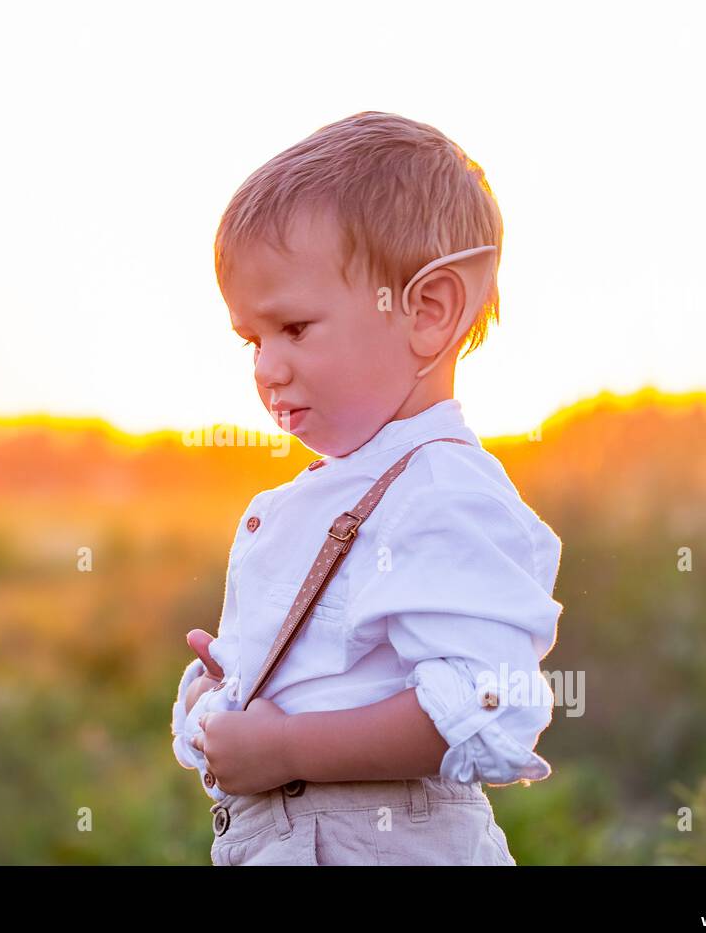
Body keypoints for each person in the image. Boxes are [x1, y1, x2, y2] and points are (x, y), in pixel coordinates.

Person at [170, 111, 564, 865]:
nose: (266, 368)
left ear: (427, 311)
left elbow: (482, 706)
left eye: (293, 328)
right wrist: (219, 705)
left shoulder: (441, 490)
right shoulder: (335, 494)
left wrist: (287, 746)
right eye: (252, 340)